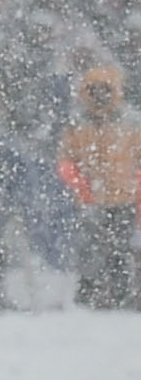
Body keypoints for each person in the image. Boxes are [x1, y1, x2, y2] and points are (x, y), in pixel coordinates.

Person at [57, 66, 141, 310]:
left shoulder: (130, 124)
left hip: (124, 199)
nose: (99, 96)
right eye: (94, 90)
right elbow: (65, 161)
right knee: (90, 249)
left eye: (104, 90)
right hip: (92, 200)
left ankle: (120, 293)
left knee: (120, 250)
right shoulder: (76, 125)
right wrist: (82, 189)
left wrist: (136, 190)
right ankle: (89, 293)